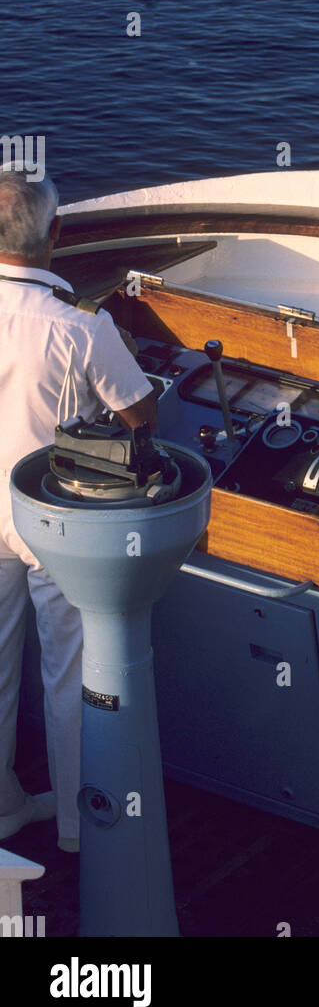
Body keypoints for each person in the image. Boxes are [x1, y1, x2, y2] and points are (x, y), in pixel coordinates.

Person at [0, 169, 157, 852]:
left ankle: (6, 810)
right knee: (71, 674)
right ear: (55, 234)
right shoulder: (81, 328)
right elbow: (141, 411)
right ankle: (76, 827)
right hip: (53, 520)